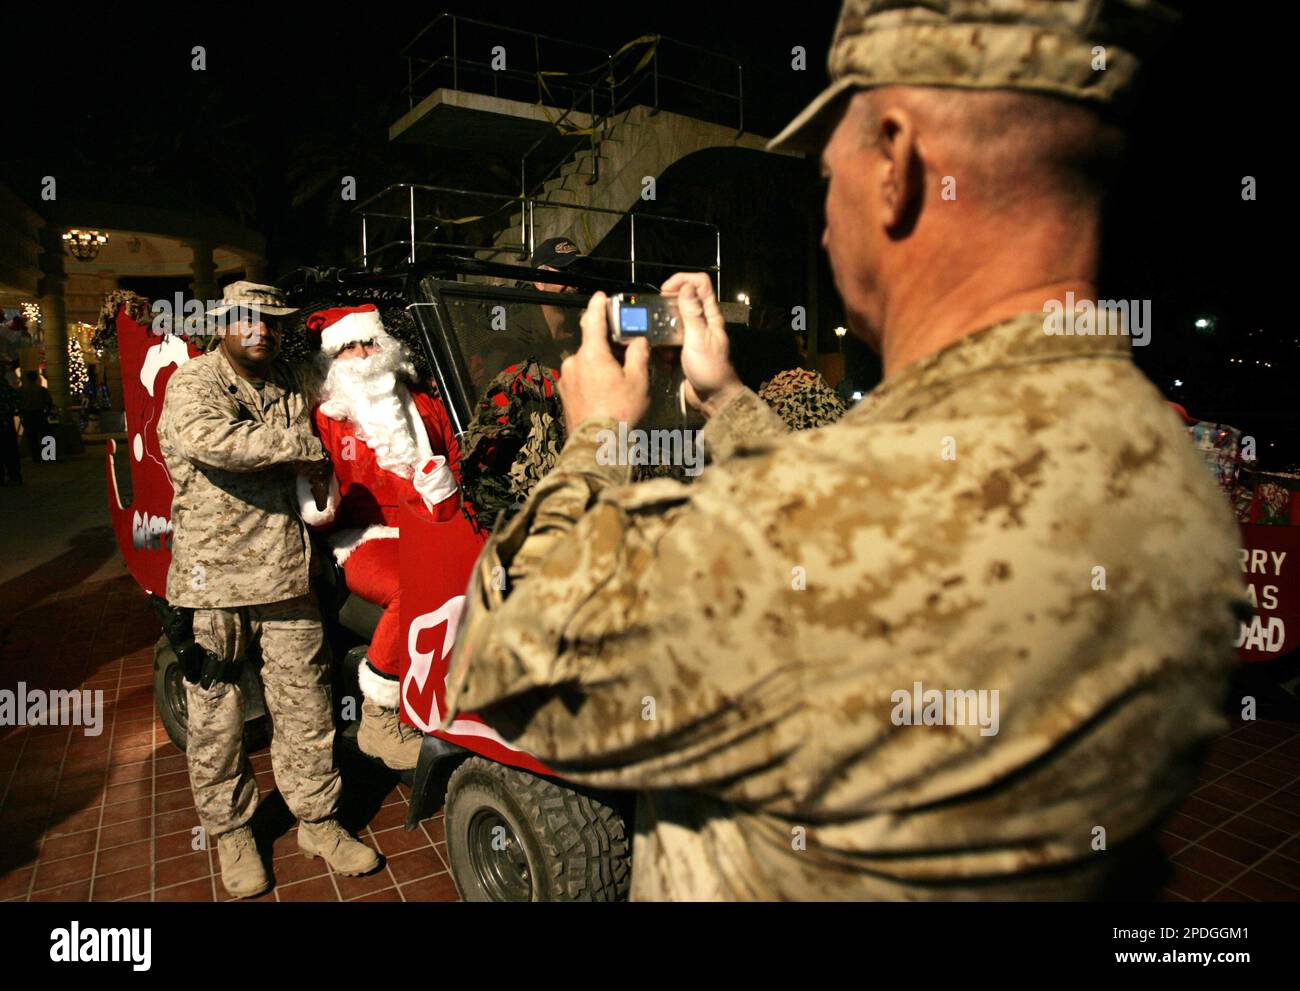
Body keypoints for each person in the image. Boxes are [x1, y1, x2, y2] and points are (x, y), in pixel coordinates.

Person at [440, 0, 1246, 900]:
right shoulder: (1159, 468)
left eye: (828, 175)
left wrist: (594, 435)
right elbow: (828, 525)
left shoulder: (849, 515)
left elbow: (510, 663)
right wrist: (730, 402)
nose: (823, 222)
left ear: (897, 163)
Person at [157, 281, 380, 898]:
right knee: (217, 713)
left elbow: (350, 388)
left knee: (306, 704)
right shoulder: (195, 382)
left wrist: (371, 356)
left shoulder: (287, 381)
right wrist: (304, 448)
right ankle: (231, 832)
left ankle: (319, 820)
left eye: (270, 321)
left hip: (286, 574)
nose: (260, 330)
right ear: (224, 325)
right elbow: (214, 442)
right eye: (246, 320)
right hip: (214, 581)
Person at [297, 304, 471, 770]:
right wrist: (320, 500)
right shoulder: (327, 419)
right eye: (348, 347)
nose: (362, 355)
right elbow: (315, 495)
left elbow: (456, 461)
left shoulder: (427, 404)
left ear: (386, 347)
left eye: (368, 343)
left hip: (436, 525)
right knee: (412, 589)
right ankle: (378, 715)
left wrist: (444, 486)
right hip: (365, 535)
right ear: (333, 361)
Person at [18, 369, 53, 463]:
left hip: (28, 414)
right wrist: (47, 412)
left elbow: (19, 403)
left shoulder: (23, 390)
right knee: (47, 435)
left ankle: (36, 457)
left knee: (32, 437)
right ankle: (49, 456)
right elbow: (49, 402)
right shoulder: (42, 390)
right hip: (40, 413)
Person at [0, 363, 22, 485]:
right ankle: (14, 476)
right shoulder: (8, 389)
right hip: (7, 422)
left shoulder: (7, 388)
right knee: (10, 450)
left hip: (5, 421)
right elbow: (17, 403)